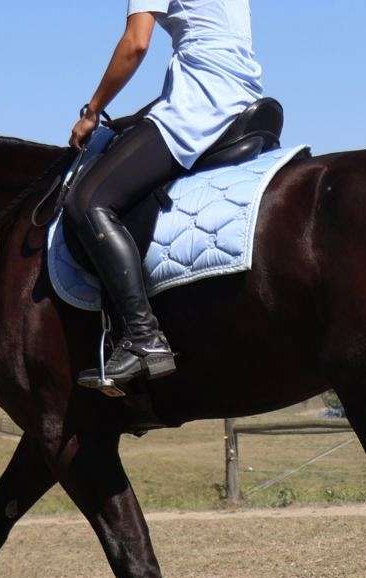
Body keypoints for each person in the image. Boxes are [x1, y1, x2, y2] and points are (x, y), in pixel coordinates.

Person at [67, 1, 263, 393]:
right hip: (242, 95)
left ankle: (143, 336)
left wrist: (93, 111)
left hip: (201, 105)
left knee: (87, 202)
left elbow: (136, 44)